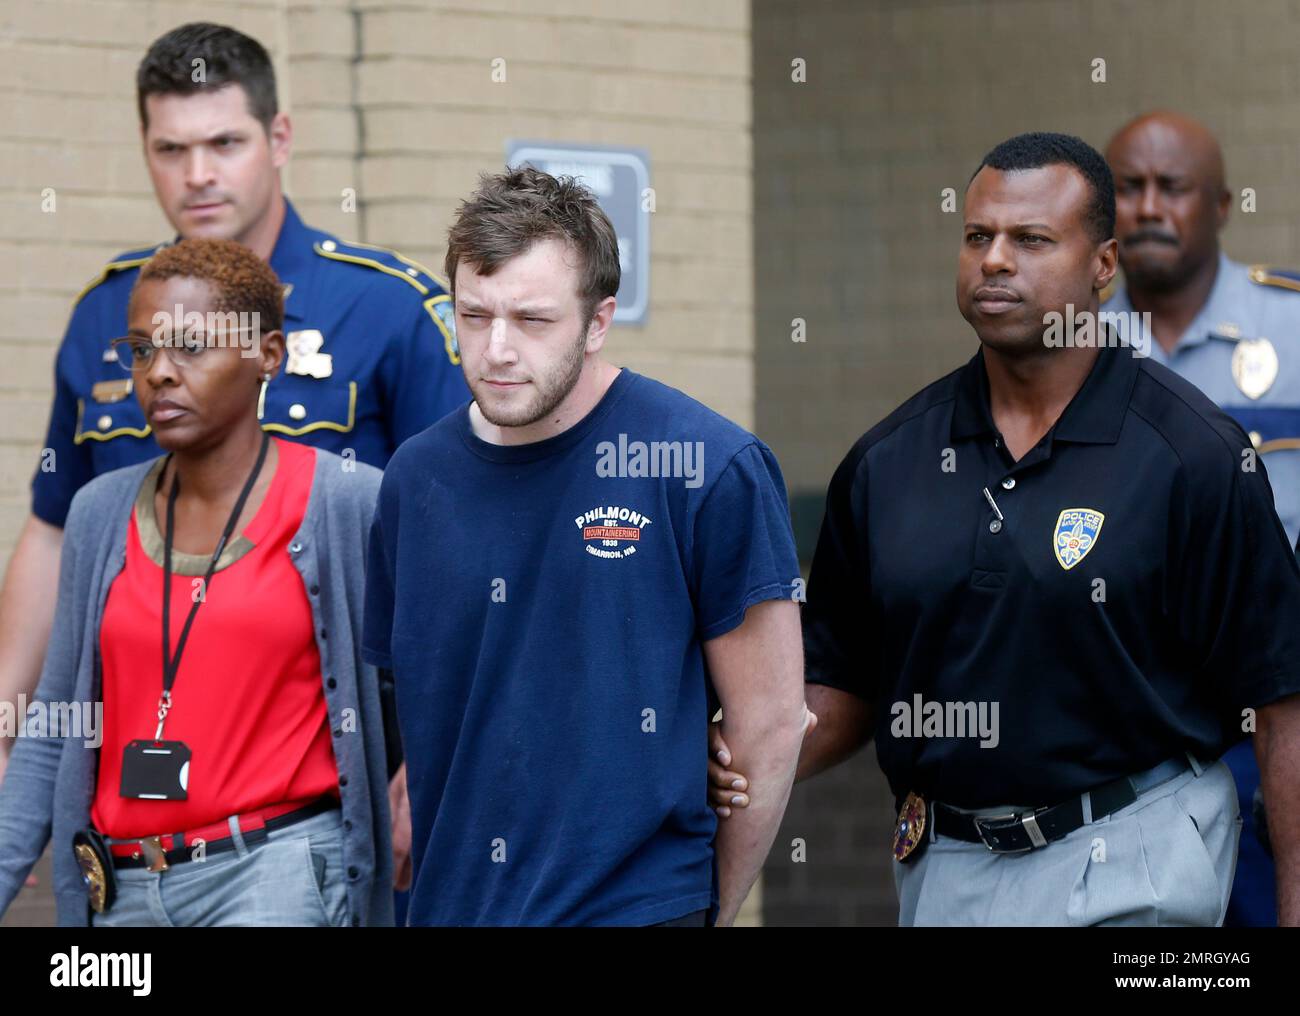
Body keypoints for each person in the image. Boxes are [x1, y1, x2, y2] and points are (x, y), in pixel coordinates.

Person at [708, 133, 1300, 926]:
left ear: (1103, 264)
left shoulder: (1193, 454)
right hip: (948, 870)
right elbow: (843, 681)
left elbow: (1281, 700)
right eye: (977, 236)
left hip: (1136, 856)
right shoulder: (889, 462)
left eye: (1030, 239)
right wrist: (737, 755)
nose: (993, 259)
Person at [0, 23, 464, 834]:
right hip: (136, 784)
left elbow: (466, 542)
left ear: (279, 137)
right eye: (171, 149)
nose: (199, 175)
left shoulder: (388, 308)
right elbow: (51, 531)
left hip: (332, 767)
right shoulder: (106, 311)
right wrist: (6, 716)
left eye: (224, 142)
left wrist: (438, 762)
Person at [362, 166, 811, 926]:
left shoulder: (703, 462)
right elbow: (413, 710)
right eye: (475, 316)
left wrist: (710, 912)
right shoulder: (414, 479)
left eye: (532, 321)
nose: (497, 349)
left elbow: (770, 724)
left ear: (598, 321)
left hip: (634, 908)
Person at [0, 239, 392, 926]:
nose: (160, 374)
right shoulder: (99, 512)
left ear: (268, 354)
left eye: (191, 347)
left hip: (277, 879)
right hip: (120, 887)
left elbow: (438, 678)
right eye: (143, 350)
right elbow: (52, 729)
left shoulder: (345, 502)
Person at [1103, 110, 1300, 925]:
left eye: (1171, 188)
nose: (1148, 207)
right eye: (1127, 187)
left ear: (1219, 204)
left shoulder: (1291, 325)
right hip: (1124, 720)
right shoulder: (1066, 345)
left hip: (1278, 708)